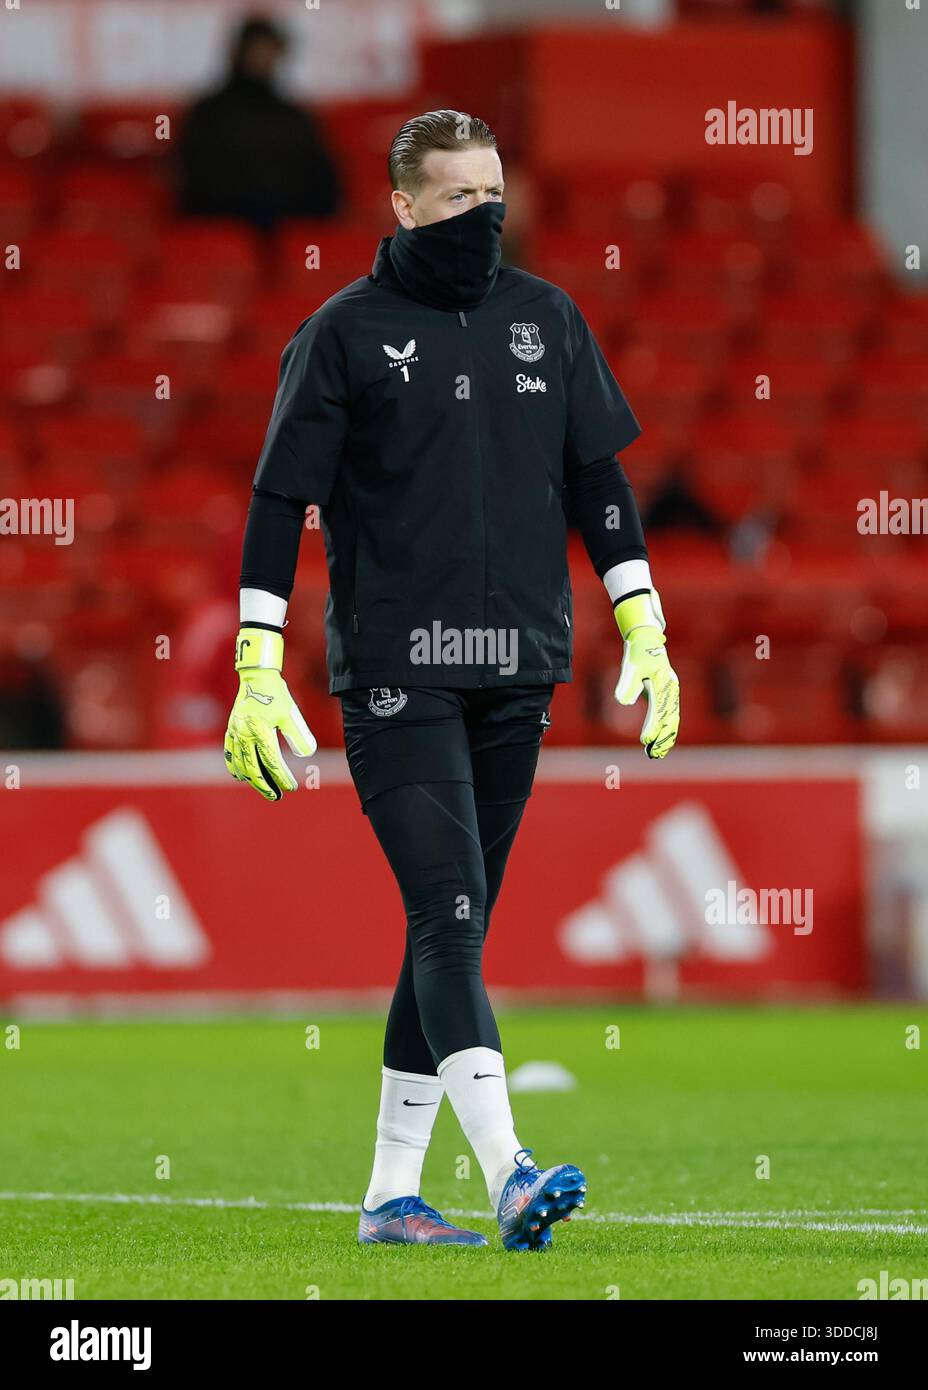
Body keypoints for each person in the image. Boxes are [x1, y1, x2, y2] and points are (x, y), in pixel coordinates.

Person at [223, 110, 680, 1251]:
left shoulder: (548, 319)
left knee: (451, 933)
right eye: (459, 197)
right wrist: (256, 658)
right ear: (405, 206)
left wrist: (644, 619)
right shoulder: (342, 333)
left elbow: (599, 480)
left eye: (494, 194)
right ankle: (510, 1170)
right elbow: (281, 502)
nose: (483, 215)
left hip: (518, 669)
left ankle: (388, 1198)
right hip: (396, 675)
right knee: (449, 914)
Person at [177, 14, 340, 231]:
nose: (264, 58)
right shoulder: (207, 115)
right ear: (239, 53)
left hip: (290, 228)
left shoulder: (295, 118)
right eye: (257, 50)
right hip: (223, 229)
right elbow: (194, 184)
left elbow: (325, 185)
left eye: (270, 51)